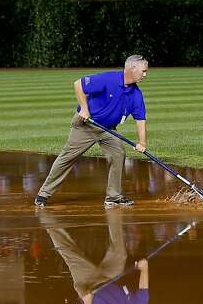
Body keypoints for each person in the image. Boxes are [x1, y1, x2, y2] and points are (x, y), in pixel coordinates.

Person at [34, 55, 149, 208]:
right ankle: (43, 193)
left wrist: (142, 142)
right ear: (132, 68)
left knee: (118, 154)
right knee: (68, 157)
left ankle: (113, 196)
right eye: (143, 71)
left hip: (107, 130)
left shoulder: (136, 94)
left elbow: (140, 119)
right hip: (86, 125)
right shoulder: (109, 79)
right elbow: (78, 84)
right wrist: (84, 109)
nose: (145, 75)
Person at [40, 208, 153, 304]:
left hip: (89, 285)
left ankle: (47, 220)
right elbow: (143, 289)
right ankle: (114, 210)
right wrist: (144, 268)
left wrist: (87, 303)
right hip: (109, 278)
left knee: (69, 251)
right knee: (120, 253)